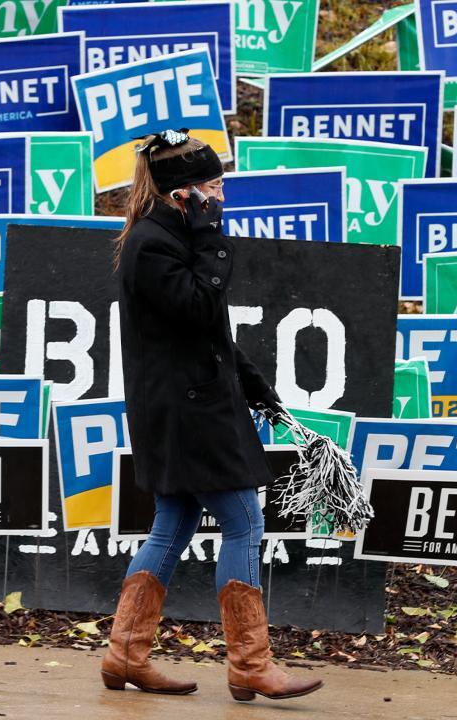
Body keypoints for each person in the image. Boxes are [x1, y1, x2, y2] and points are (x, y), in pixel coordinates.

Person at [99, 129, 324, 703]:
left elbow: (205, 329)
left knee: (171, 524)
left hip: (186, 404)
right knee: (245, 521)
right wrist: (210, 239)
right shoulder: (156, 244)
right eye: (213, 186)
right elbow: (200, 302)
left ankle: (126, 653)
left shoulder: (169, 237)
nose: (221, 196)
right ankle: (251, 664)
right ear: (184, 195)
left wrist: (253, 384)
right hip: (188, 411)